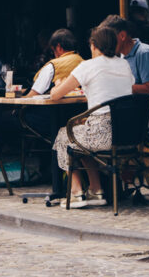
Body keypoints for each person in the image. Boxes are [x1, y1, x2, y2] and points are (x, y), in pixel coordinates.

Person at [50, 26, 134, 208]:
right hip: (128, 134)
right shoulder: (124, 64)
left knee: (64, 135)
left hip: (101, 135)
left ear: (94, 46)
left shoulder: (88, 66)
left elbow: (55, 95)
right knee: (79, 137)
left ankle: (76, 192)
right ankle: (96, 190)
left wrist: (58, 83)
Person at [102, 14, 149, 94]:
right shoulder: (121, 56)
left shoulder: (144, 53)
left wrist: (119, 86)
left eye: (110, 39)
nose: (107, 43)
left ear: (122, 36)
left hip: (145, 106)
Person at [29, 28, 84, 95]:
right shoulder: (84, 63)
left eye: (53, 50)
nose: (54, 54)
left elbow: (34, 94)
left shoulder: (52, 66)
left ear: (58, 47)